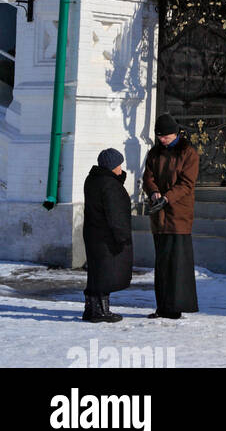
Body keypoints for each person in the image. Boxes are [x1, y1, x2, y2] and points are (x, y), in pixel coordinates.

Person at [142, 114, 200, 320]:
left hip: (179, 215)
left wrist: (167, 198)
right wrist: (154, 192)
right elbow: (147, 177)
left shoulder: (188, 153)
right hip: (160, 216)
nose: (161, 139)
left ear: (175, 134)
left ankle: (175, 307)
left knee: (177, 263)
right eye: (159, 136)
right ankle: (163, 306)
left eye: (165, 136)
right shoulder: (155, 153)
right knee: (162, 263)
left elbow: (186, 183)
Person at [81, 148, 133, 323]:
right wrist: (123, 237)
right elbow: (116, 214)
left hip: (93, 233)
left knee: (96, 272)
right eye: (119, 165)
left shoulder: (93, 179)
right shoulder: (110, 185)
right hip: (107, 236)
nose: (121, 168)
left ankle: (91, 309)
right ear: (112, 166)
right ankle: (101, 311)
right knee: (105, 273)